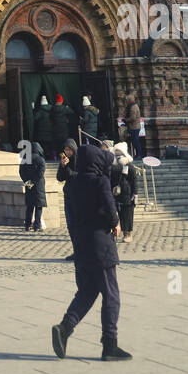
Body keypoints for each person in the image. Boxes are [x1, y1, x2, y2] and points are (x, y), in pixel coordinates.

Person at [51, 145, 132, 362]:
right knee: (111, 294)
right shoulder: (99, 181)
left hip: (81, 244)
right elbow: (108, 205)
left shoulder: (75, 182)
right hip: (100, 244)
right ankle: (110, 344)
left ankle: (65, 328)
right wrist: (115, 223)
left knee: (87, 291)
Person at [111, 141, 138, 243]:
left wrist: (135, 193)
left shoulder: (129, 164)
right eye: (116, 152)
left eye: (119, 152)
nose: (118, 154)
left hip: (127, 194)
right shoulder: (113, 164)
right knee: (119, 214)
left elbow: (134, 180)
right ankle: (119, 232)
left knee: (127, 214)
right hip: (116, 193)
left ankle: (128, 233)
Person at [57, 138, 78, 259]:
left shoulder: (80, 160)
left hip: (79, 197)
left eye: (69, 149)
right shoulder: (65, 161)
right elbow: (60, 178)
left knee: (78, 225)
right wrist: (62, 166)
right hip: (68, 196)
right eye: (65, 150)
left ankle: (82, 251)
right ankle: (77, 250)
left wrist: (68, 169)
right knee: (70, 226)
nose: (67, 152)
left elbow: (79, 175)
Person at [19, 140, 47, 232]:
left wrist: (27, 182)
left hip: (28, 185)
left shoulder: (25, 159)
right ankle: (37, 225)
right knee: (38, 206)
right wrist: (33, 182)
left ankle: (27, 225)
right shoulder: (41, 159)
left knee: (29, 206)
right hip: (38, 186)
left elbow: (21, 172)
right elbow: (40, 174)